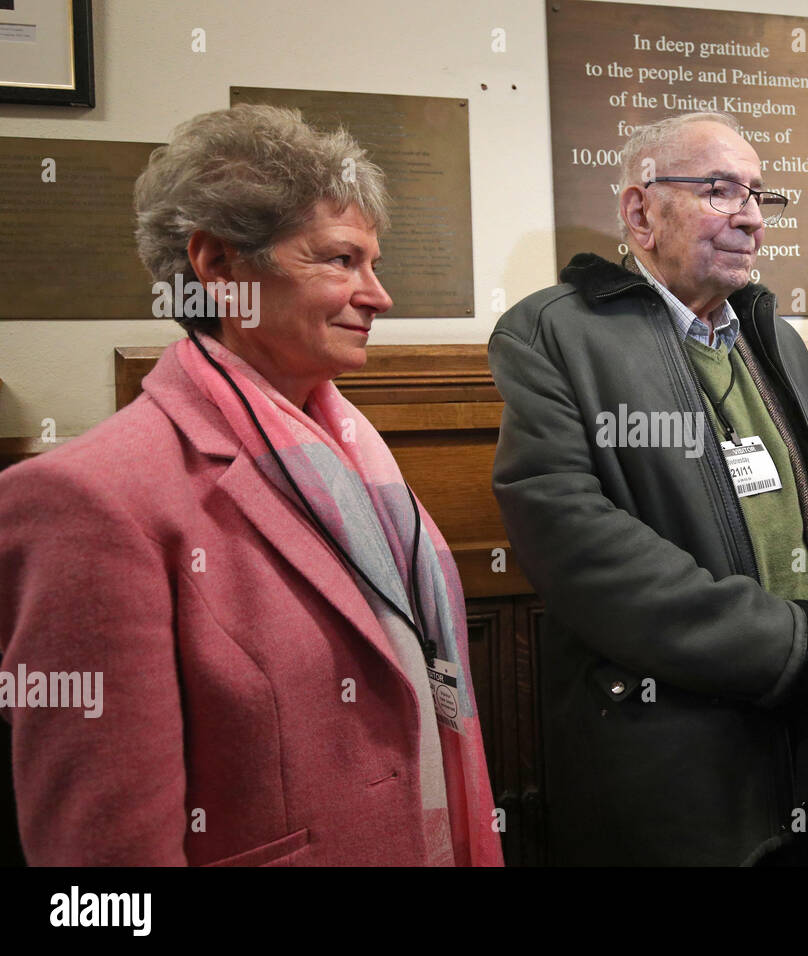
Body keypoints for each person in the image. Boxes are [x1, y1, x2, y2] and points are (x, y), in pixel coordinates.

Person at [0, 105, 502, 866]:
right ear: (220, 266)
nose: (379, 295)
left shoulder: (355, 455)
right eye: (340, 260)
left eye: (373, 262)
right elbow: (103, 859)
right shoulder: (86, 499)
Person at [489, 111, 808, 866]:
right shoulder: (551, 333)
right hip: (670, 777)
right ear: (640, 210)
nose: (750, 216)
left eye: (757, 194)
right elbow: (574, 539)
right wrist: (792, 653)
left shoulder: (769, 333)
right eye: (720, 190)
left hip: (806, 759)